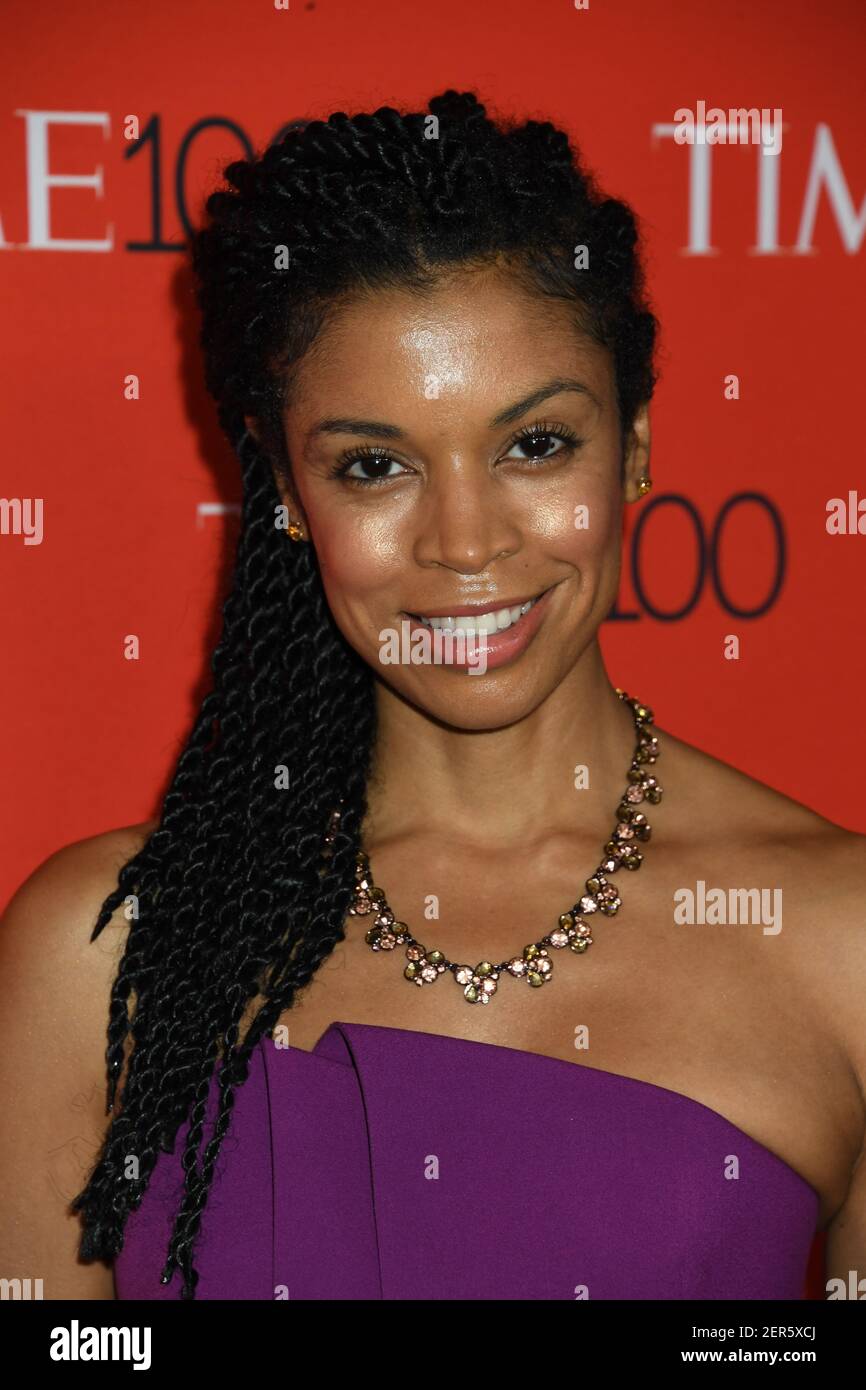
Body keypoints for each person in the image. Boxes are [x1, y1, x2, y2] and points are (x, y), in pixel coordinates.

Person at [1, 89, 863, 1302]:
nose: (464, 543)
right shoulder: (102, 955)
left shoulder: (839, 944)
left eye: (534, 445)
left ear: (635, 445)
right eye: (374, 465)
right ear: (288, 494)